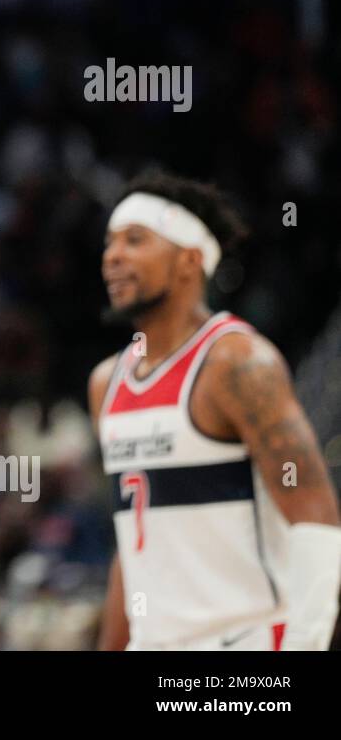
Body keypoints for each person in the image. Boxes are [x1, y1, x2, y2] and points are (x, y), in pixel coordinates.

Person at [91, 169, 341, 650]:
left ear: (188, 260)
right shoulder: (106, 383)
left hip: (244, 641)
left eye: (135, 240)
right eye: (109, 243)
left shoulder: (238, 363)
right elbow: (132, 543)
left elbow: (316, 516)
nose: (112, 257)